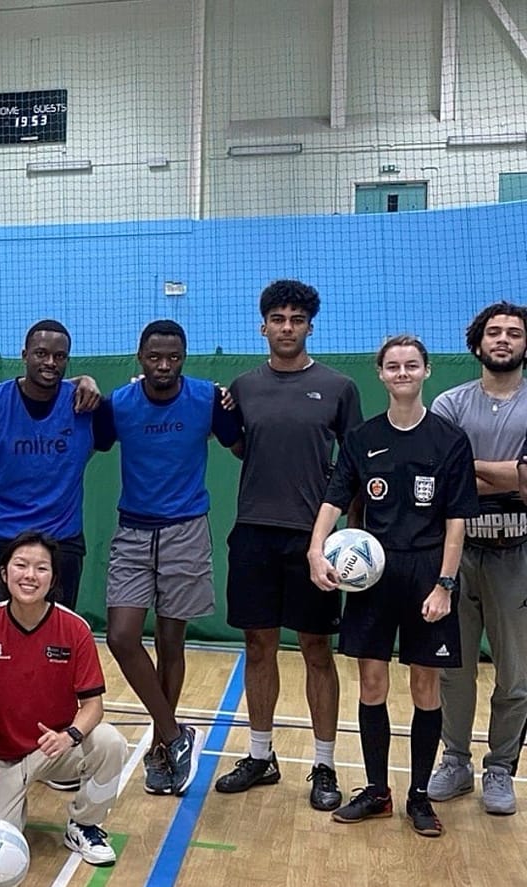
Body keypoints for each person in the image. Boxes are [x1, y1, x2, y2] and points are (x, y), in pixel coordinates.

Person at [309, 335, 479, 837]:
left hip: (428, 573)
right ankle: (378, 790)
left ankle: (420, 796)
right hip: (373, 577)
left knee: (426, 686)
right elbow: (335, 499)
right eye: (392, 366)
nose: (402, 372)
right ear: (380, 374)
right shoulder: (362, 438)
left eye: (411, 365)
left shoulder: (449, 439)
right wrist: (317, 548)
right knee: (373, 682)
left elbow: (456, 522)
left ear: (427, 372)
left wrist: (445, 584)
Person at [215, 280, 362, 811]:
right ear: (263, 326)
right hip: (253, 532)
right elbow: (240, 446)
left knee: (317, 650)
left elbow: (354, 463)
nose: (286, 327)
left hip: (314, 539)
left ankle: (324, 764)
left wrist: (348, 534)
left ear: (309, 327)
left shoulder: (339, 386)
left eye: (296, 319)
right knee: (258, 646)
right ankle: (261, 755)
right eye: (277, 318)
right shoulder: (244, 387)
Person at [102, 320, 241, 796]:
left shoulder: (207, 399)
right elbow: (87, 433)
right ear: (139, 358)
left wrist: (236, 402)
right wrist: (82, 385)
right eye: (155, 357)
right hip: (133, 530)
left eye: (173, 358)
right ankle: (173, 732)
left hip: (185, 531)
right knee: (121, 636)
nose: (164, 366)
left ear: (184, 357)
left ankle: (164, 753)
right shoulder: (118, 404)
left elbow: (242, 444)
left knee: (170, 642)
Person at [0, 531, 126, 867]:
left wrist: (70, 736)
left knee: (110, 742)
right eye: (21, 565)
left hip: (54, 750)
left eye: (41, 568)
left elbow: (93, 705)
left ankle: (84, 824)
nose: (30, 575)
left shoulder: (75, 629)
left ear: (53, 578)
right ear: (5, 573)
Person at [0, 320, 113, 611]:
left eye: (60, 356)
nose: (50, 362)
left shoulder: (86, 406)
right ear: (24, 354)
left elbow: (131, 427)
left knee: (54, 642)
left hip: (61, 540)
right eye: (41, 353)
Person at [428, 302, 527, 815]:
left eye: (513, 332)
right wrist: (508, 474)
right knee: (455, 669)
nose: (503, 340)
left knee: (515, 672)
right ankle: (456, 761)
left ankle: (501, 768)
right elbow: (443, 479)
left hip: (520, 553)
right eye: (494, 332)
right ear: (477, 343)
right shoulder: (449, 404)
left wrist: (470, 468)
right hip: (458, 553)